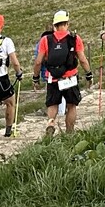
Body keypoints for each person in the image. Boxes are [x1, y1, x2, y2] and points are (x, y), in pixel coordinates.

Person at [35, 10, 86, 138]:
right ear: (67, 23)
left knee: (52, 104)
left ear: (54, 25)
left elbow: (38, 61)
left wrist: (35, 77)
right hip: (70, 77)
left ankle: (51, 123)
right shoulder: (74, 39)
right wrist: (89, 73)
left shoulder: (46, 40)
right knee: (71, 105)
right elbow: (82, 59)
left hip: (53, 78)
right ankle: (69, 132)